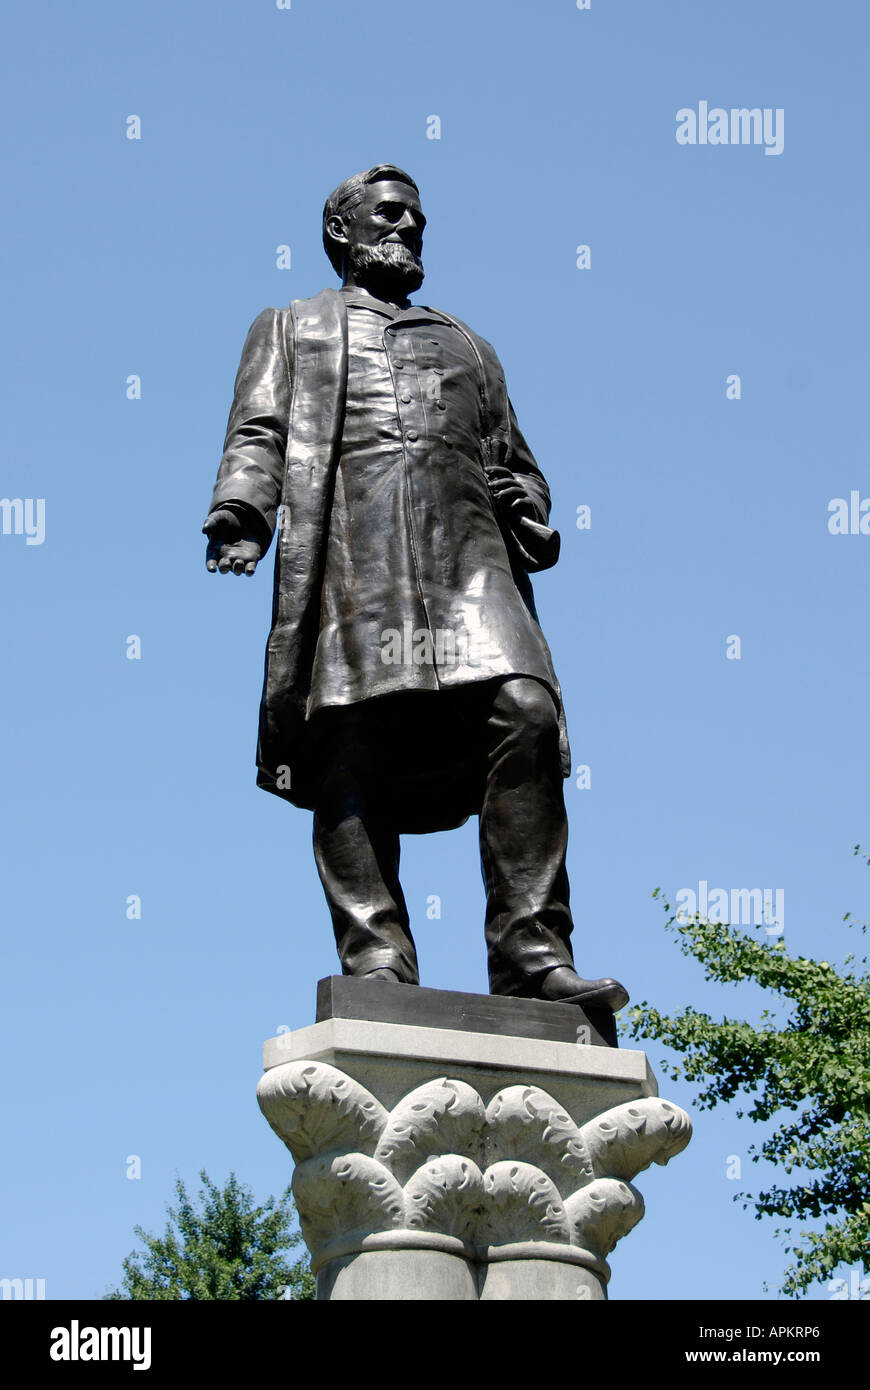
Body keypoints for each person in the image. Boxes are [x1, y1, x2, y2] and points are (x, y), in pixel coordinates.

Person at [203, 164, 627, 1011]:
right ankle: (378, 960)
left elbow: (519, 465)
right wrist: (241, 513)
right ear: (341, 232)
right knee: (350, 738)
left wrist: (528, 506)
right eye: (389, 213)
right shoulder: (294, 326)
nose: (407, 227)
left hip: (471, 568)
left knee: (526, 711)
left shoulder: (469, 345)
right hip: (357, 562)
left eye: (417, 218)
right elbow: (260, 428)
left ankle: (533, 954)